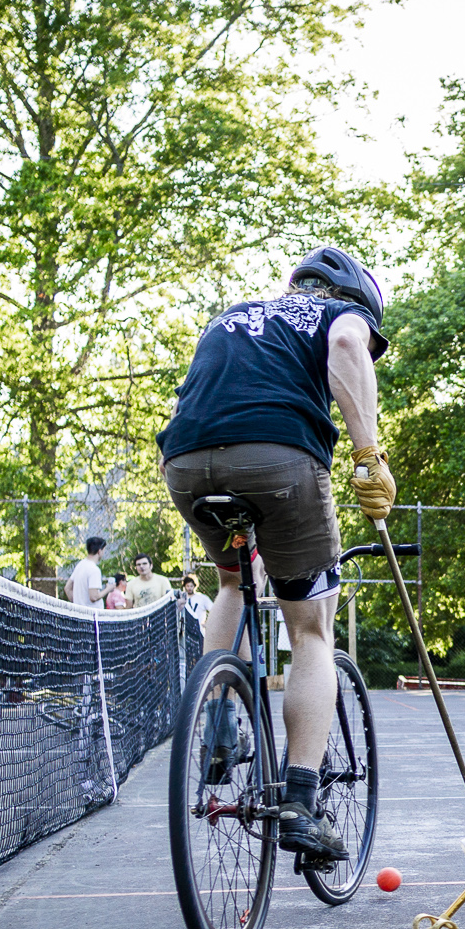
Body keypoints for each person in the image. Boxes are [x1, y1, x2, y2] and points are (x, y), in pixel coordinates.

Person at [157, 244, 395, 863]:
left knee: (234, 582)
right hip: (280, 458)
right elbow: (346, 349)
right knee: (311, 630)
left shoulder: (234, 314)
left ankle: (216, 721)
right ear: (356, 298)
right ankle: (298, 799)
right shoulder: (339, 316)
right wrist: (368, 454)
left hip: (186, 462)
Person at [66, 535, 107, 607]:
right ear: (99, 551)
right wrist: (108, 589)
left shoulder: (80, 565)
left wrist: (78, 604)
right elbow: (93, 597)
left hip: (80, 613)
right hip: (92, 615)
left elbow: (67, 588)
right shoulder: (94, 570)